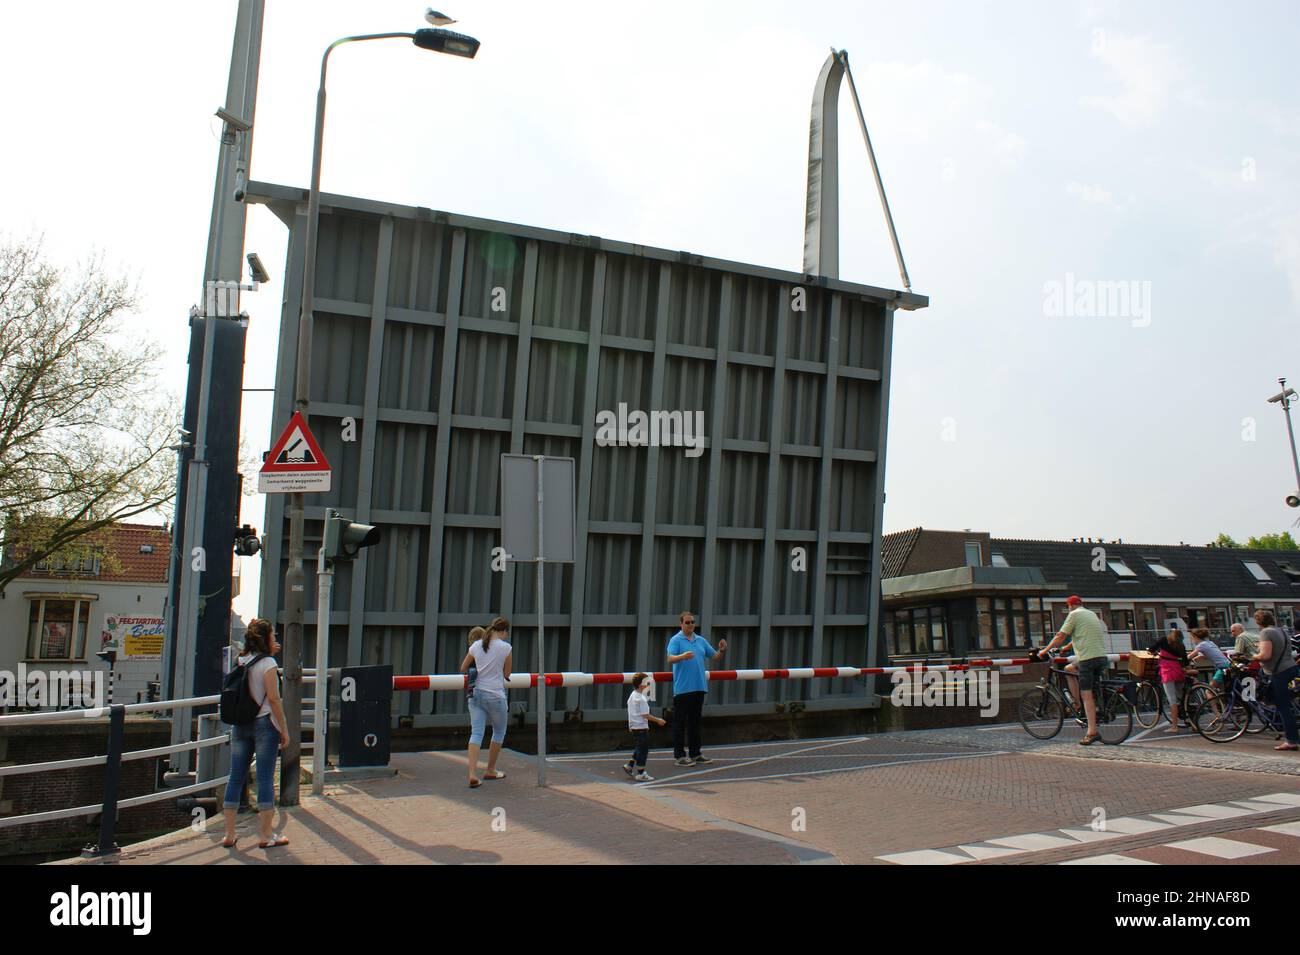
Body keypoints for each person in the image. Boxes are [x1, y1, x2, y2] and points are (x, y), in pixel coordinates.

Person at [221, 618, 289, 849]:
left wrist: (269, 652)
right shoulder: (268, 663)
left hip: (240, 724)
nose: (276, 639)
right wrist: (284, 728)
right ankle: (265, 834)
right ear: (267, 638)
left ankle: (229, 834)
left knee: (235, 776)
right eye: (273, 636)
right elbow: (273, 698)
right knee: (265, 778)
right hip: (264, 724)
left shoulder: (240, 660)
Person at [1036, 595, 1108, 745]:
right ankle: (1077, 705)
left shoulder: (1074, 615)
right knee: (1069, 668)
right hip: (1100, 656)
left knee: (1087, 694)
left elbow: (1060, 635)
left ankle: (1092, 732)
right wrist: (1066, 649)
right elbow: (1080, 635)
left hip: (1087, 659)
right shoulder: (1090, 613)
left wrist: (1045, 650)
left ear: (1070, 606)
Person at [666, 611, 727, 766]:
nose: (691, 625)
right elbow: (670, 658)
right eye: (687, 622)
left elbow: (714, 657)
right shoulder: (676, 640)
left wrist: (721, 650)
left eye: (693, 622)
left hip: (699, 687)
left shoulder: (700, 640)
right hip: (683, 689)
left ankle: (695, 753)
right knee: (680, 723)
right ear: (681, 624)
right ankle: (679, 756)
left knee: (695, 722)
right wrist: (683, 656)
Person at [461, 617, 512, 787]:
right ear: (504, 631)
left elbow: (463, 668)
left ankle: (472, 774)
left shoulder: (476, 645)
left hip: (476, 694)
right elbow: (507, 674)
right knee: (498, 732)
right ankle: (490, 769)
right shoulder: (506, 648)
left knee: (476, 733)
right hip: (495, 695)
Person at [1251, 609, 1299, 752]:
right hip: (1291, 667)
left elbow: (1266, 655)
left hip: (1279, 672)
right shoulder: (1282, 630)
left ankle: (1291, 741)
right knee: (1288, 703)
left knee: (1283, 707)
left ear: (1259, 622)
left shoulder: (1266, 632)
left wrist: (1254, 656)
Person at [623, 673, 665, 782]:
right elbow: (645, 715)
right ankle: (641, 772)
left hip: (634, 727)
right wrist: (658, 720)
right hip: (641, 727)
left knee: (639, 747)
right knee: (643, 750)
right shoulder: (641, 698)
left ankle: (630, 765)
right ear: (642, 685)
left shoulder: (632, 695)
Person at [1156, 628, 1191, 733]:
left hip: (1167, 671)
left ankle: (1174, 726)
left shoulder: (1163, 640)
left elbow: (1152, 649)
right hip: (1178, 671)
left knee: (1172, 700)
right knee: (1182, 698)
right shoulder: (1181, 646)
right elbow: (1185, 661)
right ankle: (1191, 722)